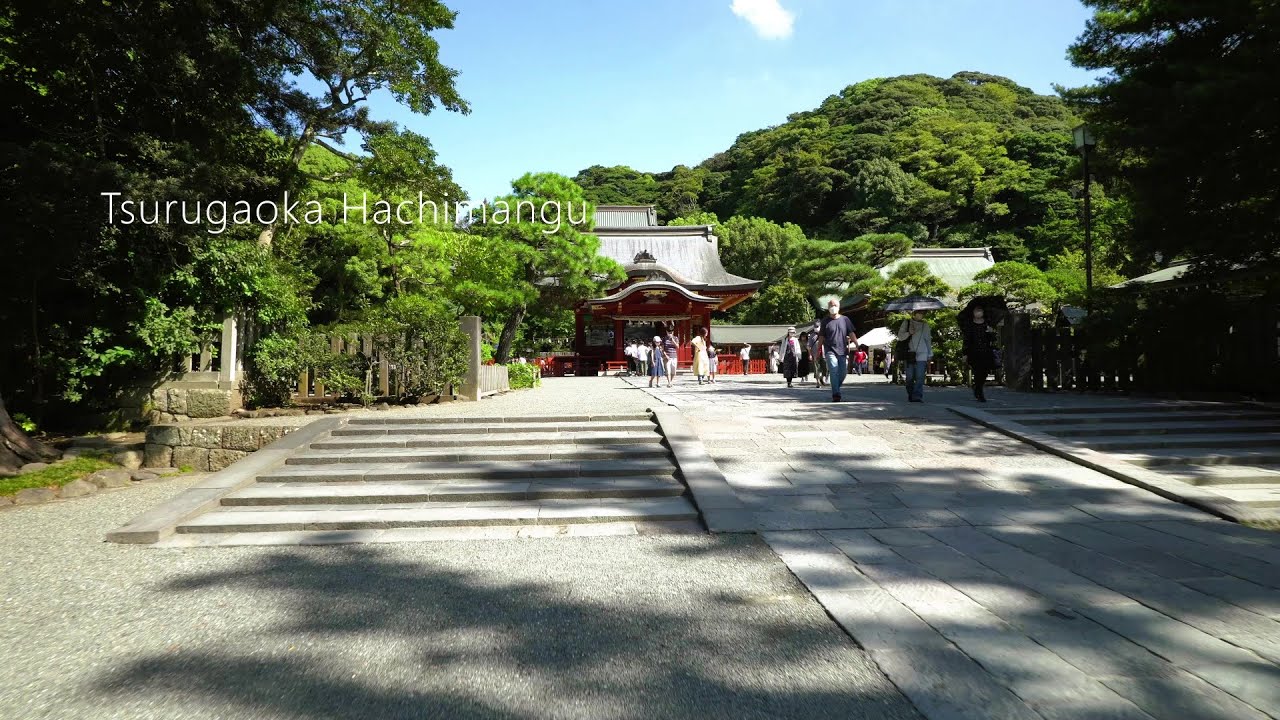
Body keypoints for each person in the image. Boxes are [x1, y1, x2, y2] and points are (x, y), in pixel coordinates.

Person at [816, 299, 859, 402]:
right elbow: (821, 336)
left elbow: (851, 333)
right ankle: (836, 394)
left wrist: (856, 343)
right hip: (830, 349)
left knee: (843, 372)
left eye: (835, 305)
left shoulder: (845, 320)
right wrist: (818, 350)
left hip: (842, 350)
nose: (833, 306)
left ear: (839, 307)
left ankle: (835, 387)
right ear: (828, 307)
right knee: (834, 369)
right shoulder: (825, 321)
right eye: (831, 305)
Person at [962, 306, 997, 402]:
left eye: (980, 310)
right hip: (974, 352)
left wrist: (991, 332)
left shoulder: (987, 323)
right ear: (973, 313)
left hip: (986, 351)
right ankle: (979, 392)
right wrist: (965, 353)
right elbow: (966, 340)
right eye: (976, 311)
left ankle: (977, 386)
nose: (978, 313)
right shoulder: (969, 324)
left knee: (984, 372)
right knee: (977, 372)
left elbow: (993, 339)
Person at [897, 310, 933, 403]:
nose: (921, 315)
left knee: (920, 376)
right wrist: (909, 333)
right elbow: (900, 337)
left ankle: (917, 396)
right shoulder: (907, 322)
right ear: (915, 313)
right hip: (909, 353)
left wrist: (930, 353)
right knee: (909, 377)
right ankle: (911, 394)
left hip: (922, 353)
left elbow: (928, 339)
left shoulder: (925, 325)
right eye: (919, 312)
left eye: (923, 313)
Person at [808, 321, 827, 388]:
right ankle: (817, 382)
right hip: (815, 354)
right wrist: (810, 355)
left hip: (824, 354)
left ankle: (822, 377)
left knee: (826, 368)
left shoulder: (824, 335)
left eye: (817, 327)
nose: (816, 328)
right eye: (815, 327)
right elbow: (809, 346)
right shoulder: (812, 336)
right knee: (816, 369)